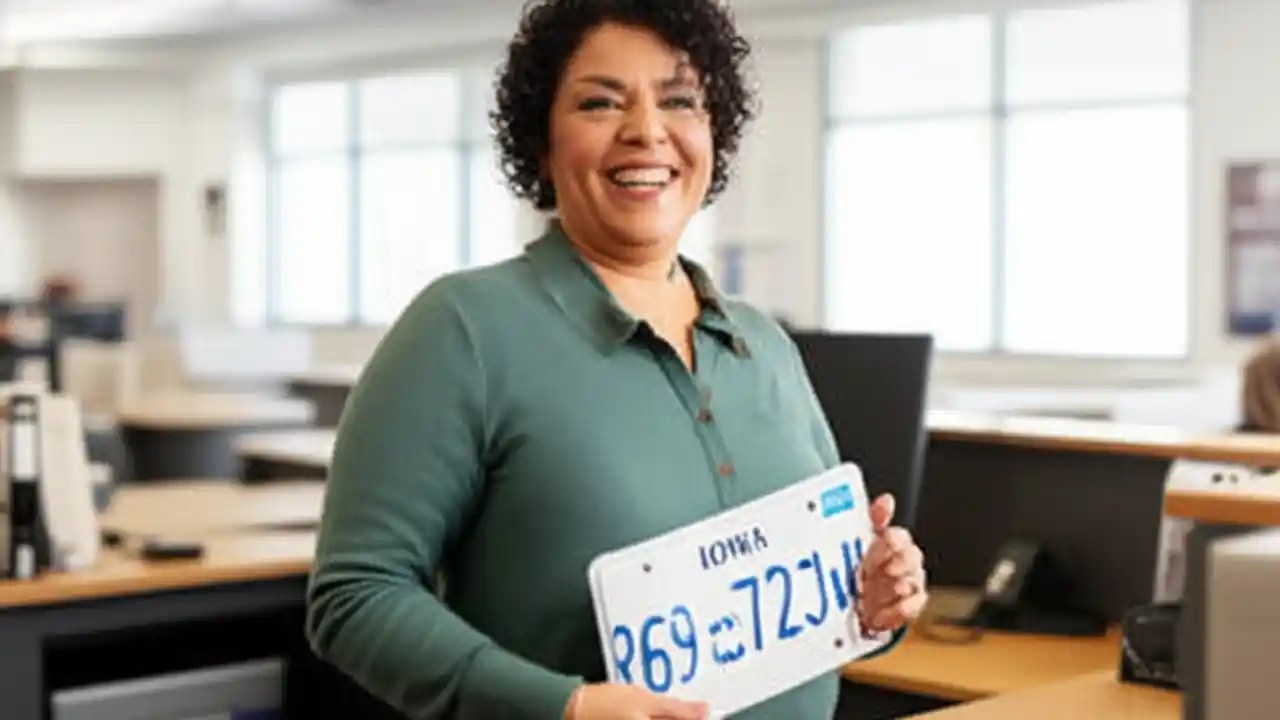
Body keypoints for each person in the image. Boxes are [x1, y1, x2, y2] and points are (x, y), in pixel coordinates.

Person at [306, 1, 928, 718]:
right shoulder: (463, 329)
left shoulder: (765, 346)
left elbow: (817, 605)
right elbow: (355, 595)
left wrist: (876, 600)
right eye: (600, 103)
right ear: (542, 143)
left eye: (679, 101)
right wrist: (563, 707)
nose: (646, 131)